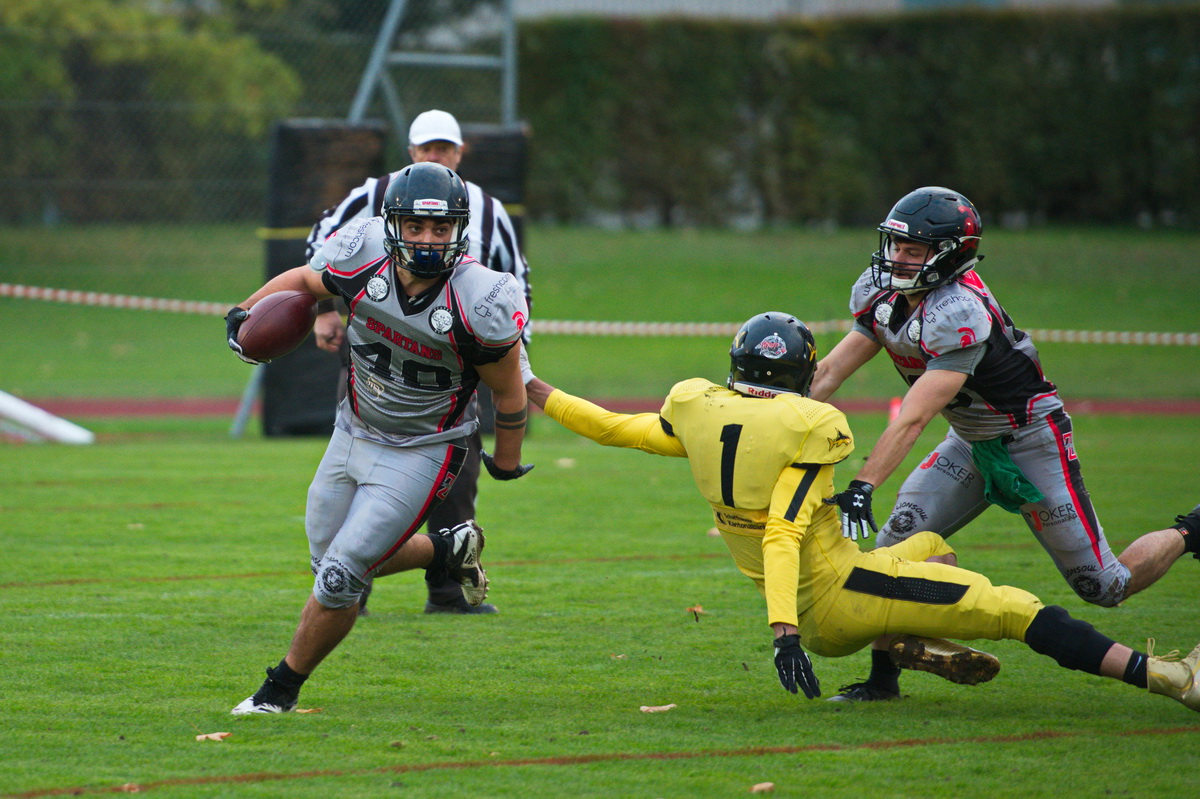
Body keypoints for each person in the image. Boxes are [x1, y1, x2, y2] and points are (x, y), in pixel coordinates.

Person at [523, 311, 1200, 711]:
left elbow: (611, 426)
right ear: (801, 374)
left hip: (827, 591)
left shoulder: (700, 409)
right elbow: (783, 530)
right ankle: (1170, 678)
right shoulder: (809, 423)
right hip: (837, 597)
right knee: (1016, 609)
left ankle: (897, 664)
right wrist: (784, 633)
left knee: (929, 544)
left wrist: (528, 382)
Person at [809, 186, 1200, 701]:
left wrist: (863, 484)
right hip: (969, 439)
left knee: (1104, 586)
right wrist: (765, 411)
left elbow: (914, 417)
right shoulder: (883, 293)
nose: (897, 258)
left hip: (1030, 440)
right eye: (895, 245)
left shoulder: (958, 309)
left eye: (913, 250)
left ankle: (1193, 529)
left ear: (951, 254)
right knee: (892, 552)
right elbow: (829, 372)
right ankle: (883, 682)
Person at [225, 162, 533, 714]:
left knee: (340, 577)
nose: (428, 239)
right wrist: (247, 312)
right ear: (392, 224)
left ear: (459, 229)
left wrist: (505, 462)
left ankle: (278, 691)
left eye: (441, 228)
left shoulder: (481, 298)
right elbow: (304, 281)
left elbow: (509, 393)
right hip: (354, 429)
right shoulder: (362, 251)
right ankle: (447, 549)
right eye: (415, 226)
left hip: (425, 448)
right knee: (328, 562)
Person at [306, 108, 532, 616]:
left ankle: (448, 590)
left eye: (444, 148)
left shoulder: (488, 209)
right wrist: (323, 310)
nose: (436, 156)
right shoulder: (374, 195)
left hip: (452, 364)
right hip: (375, 351)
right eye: (427, 148)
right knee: (351, 481)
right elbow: (320, 253)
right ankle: (351, 589)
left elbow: (517, 280)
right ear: (411, 152)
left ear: (459, 152)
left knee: (456, 481)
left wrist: (518, 359)